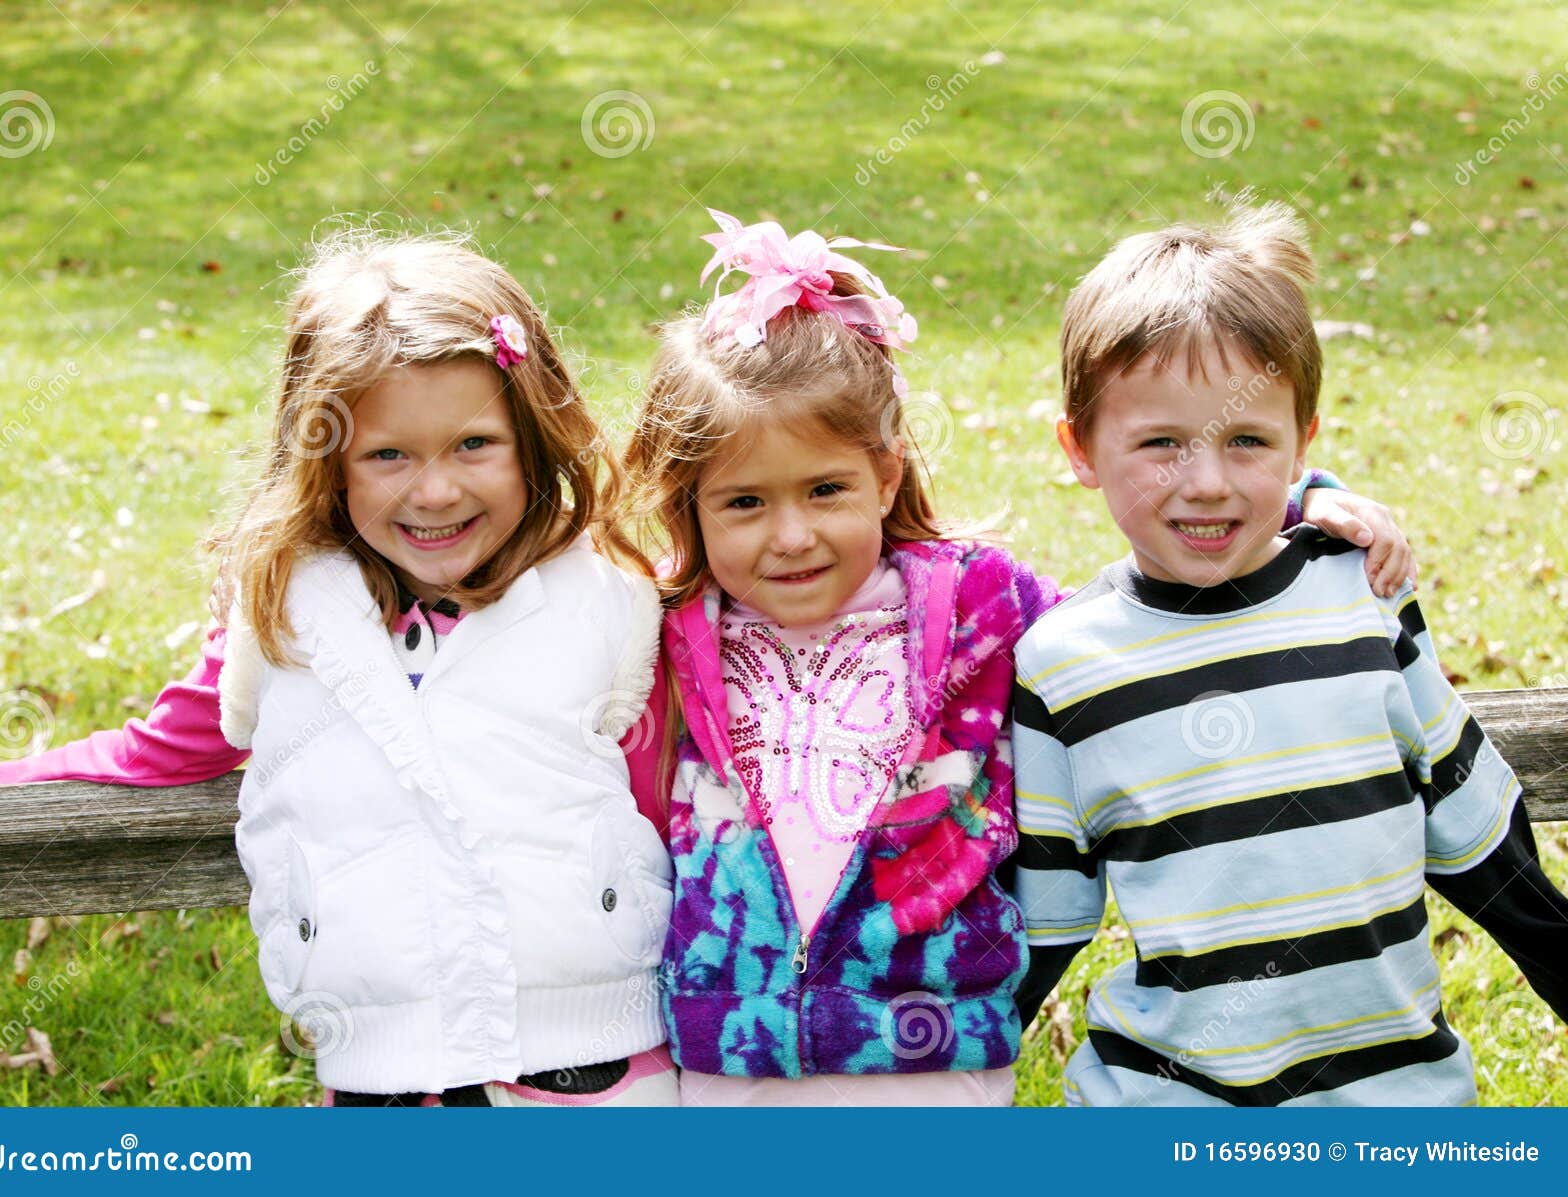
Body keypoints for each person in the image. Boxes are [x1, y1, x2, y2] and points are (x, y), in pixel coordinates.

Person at [619, 209, 1406, 1105]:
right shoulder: (664, 631)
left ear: (885, 473)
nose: (791, 534)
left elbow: (1150, 611)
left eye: (826, 489)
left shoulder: (979, 608)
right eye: (745, 502)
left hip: (934, 1052)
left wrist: (1302, 509)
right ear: (694, 505)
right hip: (730, 1056)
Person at [0, 229, 678, 1107]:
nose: (435, 492)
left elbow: (667, 800)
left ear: (532, 439)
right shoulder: (281, 616)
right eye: (388, 455)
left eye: (473, 445)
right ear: (328, 462)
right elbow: (161, 750)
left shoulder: (607, 601)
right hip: (378, 1075)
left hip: (594, 1069)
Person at [1012, 198, 1568, 1106]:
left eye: (1247, 441)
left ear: (1303, 439)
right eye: (1160, 443)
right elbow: (1045, 927)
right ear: (1079, 447)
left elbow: (1476, 835)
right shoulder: (1063, 665)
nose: (1208, 482)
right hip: (1165, 1108)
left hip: (1402, 1108)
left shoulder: (1360, 597)